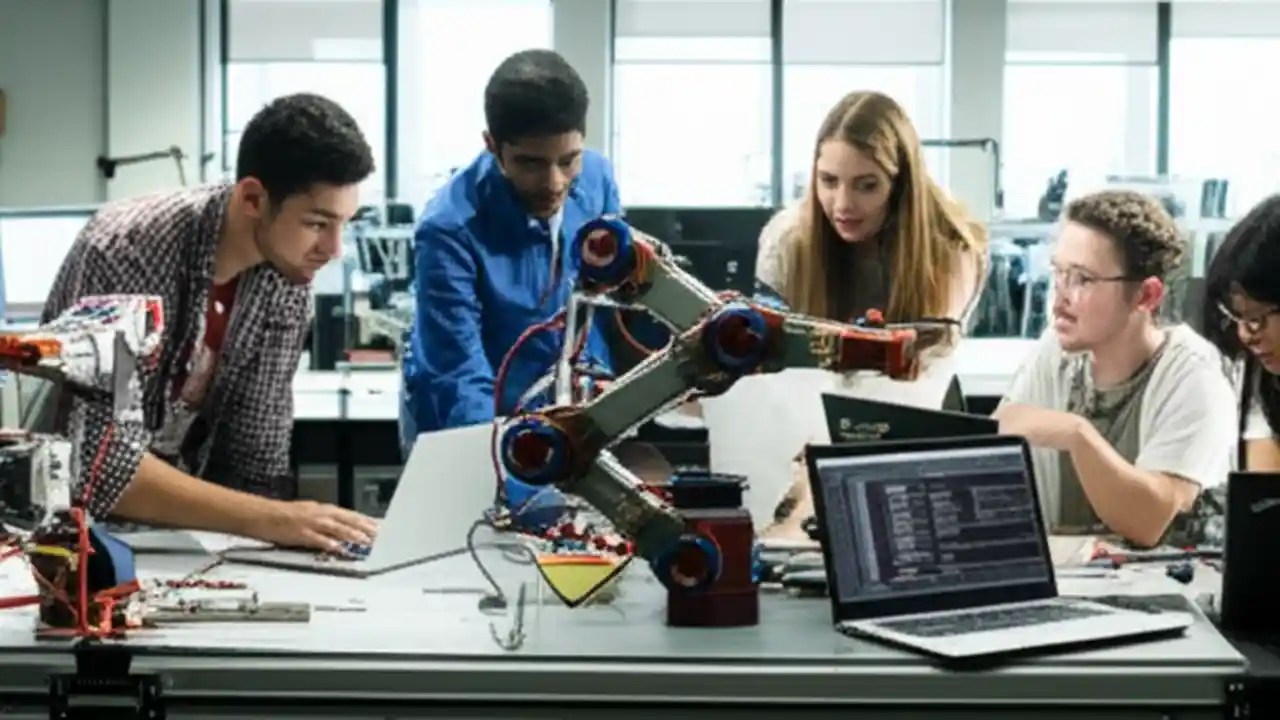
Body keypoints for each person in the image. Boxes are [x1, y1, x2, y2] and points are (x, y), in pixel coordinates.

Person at [44, 93, 379, 553]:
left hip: (181, 541)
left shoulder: (286, 276)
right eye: (318, 223)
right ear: (253, 198)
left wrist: (283, 538)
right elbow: (97, 462)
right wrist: (275, 519)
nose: (335, 248)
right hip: (73, 537)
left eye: (344, 224)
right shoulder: (127, 251)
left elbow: (255, 460)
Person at [996, 189, 1237, 548]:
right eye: (1058, 273)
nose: (1059, 297)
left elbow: (1147, 521)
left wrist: (1077, 434)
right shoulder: (1055, 353)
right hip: (1073, 585)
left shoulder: (1194, 376)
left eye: (1082, 279)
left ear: (1146, 296)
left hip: (1167, 592)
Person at [755, 90, 988, 337]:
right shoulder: (786, 240)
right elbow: (770, 354)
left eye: (867, 186)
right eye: (829, 181)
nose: (843, 204)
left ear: (900, 186)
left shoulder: (950, 248)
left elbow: (931, 366)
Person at [1201, 195, 1280, 471]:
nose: (1246, 335)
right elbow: (1262, 495)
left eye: (1257, 318)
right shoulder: (1263, 378)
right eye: (1236, 317)